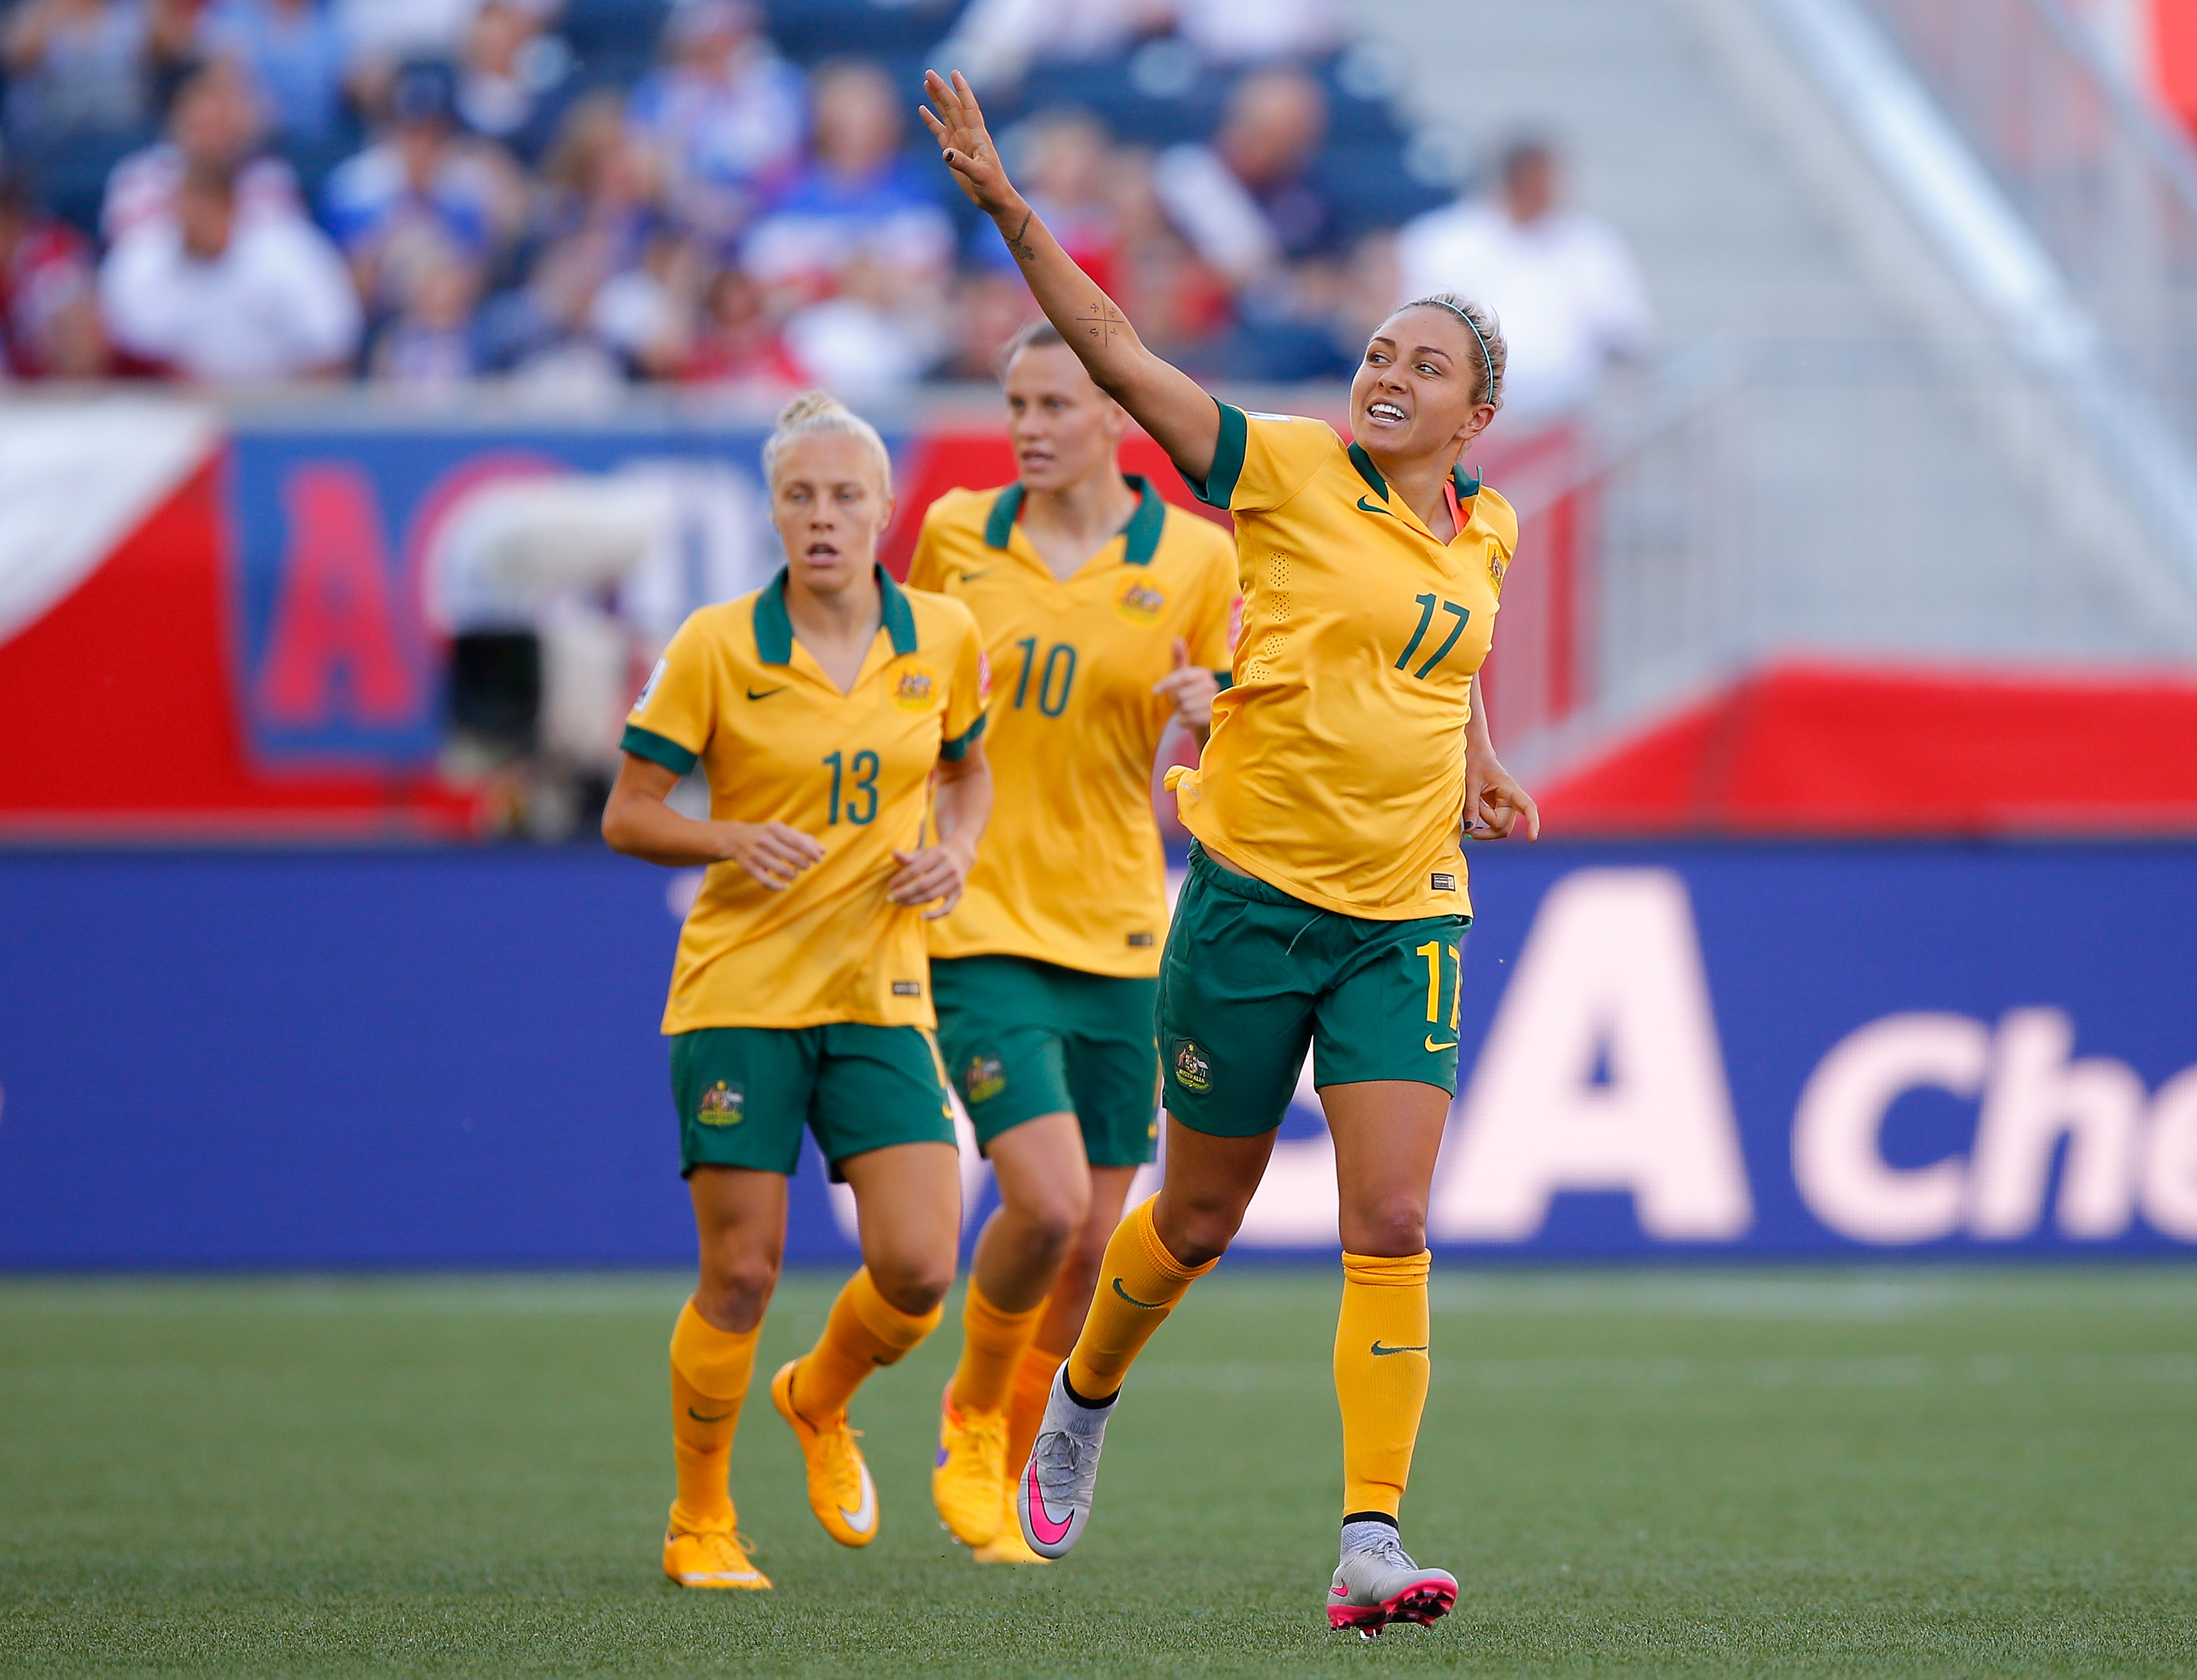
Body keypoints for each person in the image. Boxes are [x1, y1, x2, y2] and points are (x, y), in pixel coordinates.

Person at [921, 70, 1540, 1634]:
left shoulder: (1487, 529)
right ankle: (1081, 1393)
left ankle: (1370, 1537)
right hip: (1252, 902)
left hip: (1407, 915)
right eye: (1382, 350)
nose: (1389, 373)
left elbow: (1446, 659)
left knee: (1390, 1218)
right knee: (1194, 1220)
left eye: (1427, 366)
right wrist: (1008, 209)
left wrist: (1481, 759)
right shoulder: (1281, 467)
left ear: (1477, 416)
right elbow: (1122, 356)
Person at [599, 390, 994, 1591]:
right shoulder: (718, 646)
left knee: (924, 1267)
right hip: (740, 995)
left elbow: (968, 773)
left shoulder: (942, 636)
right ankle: (701, 1522)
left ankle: (819, 1397)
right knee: (743, 1271)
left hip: (881, 989)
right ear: (773, 510)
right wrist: (726, 838)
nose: (823, 516)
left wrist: (959, 851)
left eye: (846, 495)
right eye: (800, 496)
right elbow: (627, 812)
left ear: (886, 508)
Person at [907, 317, 1237, 1566]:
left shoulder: (1196, 563)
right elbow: (905, 700)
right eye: (1017, 408)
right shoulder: (954, 536)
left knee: (1098, 1239)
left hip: (1118, 924)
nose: (1031, 430)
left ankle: (1020, 1435)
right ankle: (972, 1419)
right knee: (1041, 1205)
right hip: (979, 916)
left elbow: (1234, 737)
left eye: (1056, 405)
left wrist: (1217, 715)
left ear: (1115, 413)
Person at [1397, 134, 1650, 424]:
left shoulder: (1593, 246)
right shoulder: (1444, 241)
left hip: (1568, 412)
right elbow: (1421, 325)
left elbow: (1627, 329)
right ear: (1512, 180)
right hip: (1465, 406)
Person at [100, 158, 362, 380]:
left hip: (285, 411)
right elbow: (127, 360)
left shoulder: (289, 252)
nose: (196, 219)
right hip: (178, 414)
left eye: (208, 206)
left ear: (232, 207)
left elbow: (333, 349)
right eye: (188, 206)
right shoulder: (139, 261)